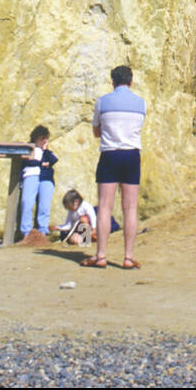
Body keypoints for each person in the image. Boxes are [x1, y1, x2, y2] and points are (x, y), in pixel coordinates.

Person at [81, 64, 145, 270]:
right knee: (131, 207)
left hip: (109, 154)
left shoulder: (103, 101)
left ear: (112, 81)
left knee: (105, 206)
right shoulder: (140, 103)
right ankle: (128, 257)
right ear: (131, 82)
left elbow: (96, 132)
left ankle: (100, 256)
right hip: (131, 155)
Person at [18, 125, 58, 245]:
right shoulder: (29, 148)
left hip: (46, 178)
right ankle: (25, 232)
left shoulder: (47, 151)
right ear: (36, 138)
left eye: (46, 138)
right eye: (42, 138)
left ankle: (43, 232)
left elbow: (54, 159)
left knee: (44, 205)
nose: (44, 141)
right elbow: (27, 160)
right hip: (31, 175)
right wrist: (41, 163)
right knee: (27, 202)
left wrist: (45, 150)